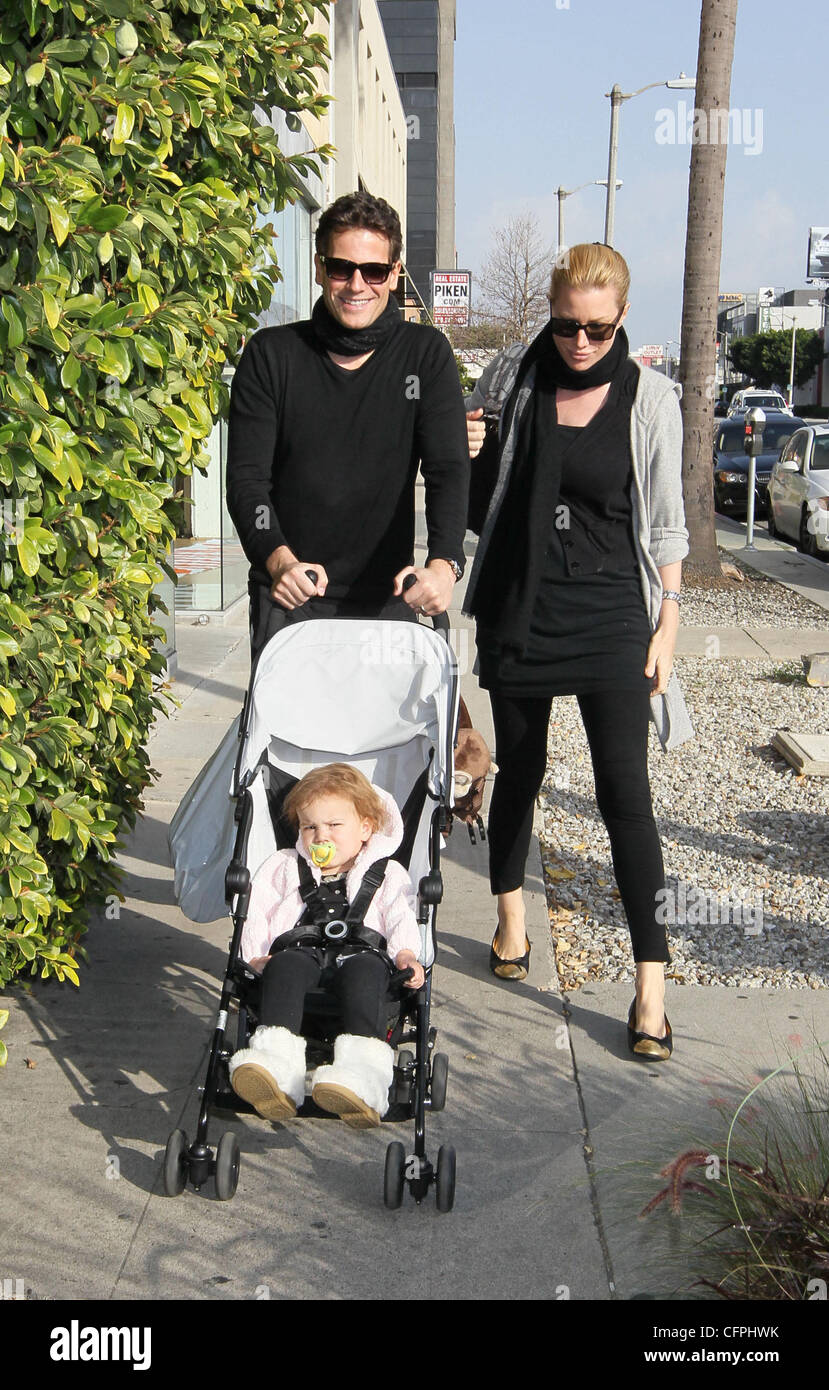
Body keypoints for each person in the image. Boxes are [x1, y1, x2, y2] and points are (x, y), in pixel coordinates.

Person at [463, 243, 692, 1061]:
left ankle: (650, 987)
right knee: (519, 771)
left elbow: (664, 520)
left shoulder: (649, 399)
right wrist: (470, 451)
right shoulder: (515, 385)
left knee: (623, 793)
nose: (580, 342)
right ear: (550, 316)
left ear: (621, 317)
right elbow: (476, 506)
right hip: (521, 610)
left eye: (597, 327)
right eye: (565, 325)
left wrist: (668, 619)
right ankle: (510, 917)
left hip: (609, 616)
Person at [226, 191, 469, 661]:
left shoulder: (426, 354)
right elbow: (246, 481)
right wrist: (279, 560)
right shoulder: (272, 355)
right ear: (320, 268)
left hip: (391, 601)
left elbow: (448, 470)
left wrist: (443, 565)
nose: (357, 284)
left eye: (374, 271)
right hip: (290, 598)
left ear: (395, 274)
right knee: (289, 735)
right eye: (342, 268)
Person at [228, 764, 425, 1127]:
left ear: (366, 828)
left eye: (334, 826)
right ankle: (276, 1069)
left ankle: (361, 1078)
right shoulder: (285, 866)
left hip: (364, 955)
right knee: (282, 966)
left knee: (365, 975)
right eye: (309, 827)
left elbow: (401, 916)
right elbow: (258, 911)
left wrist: (406, 955)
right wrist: (255, 955)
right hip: (300, 951)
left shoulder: (386, 873)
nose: (321, 837)